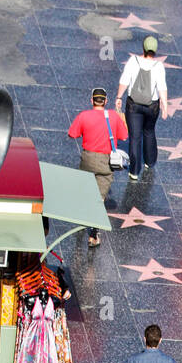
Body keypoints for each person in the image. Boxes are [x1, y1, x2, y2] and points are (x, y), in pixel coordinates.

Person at [67, 87, 128, 247]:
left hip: (87, 159)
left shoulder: (84, 116)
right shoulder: (113, 116)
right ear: (106, 101)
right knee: (99, 199)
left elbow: (72, 134)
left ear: (92, 100)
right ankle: (93, 235)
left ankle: (81, 219)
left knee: (85, 191)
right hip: (106, 162)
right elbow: (124, 135)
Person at [115, 36, 169, 181]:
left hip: (134, 105)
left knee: (135, 137)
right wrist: (164, 106)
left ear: (143, 48)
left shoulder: (133, 61)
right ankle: (150, 162)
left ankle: (134, 171)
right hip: (152, 106)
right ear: (155, 50)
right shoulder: (158, 66)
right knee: (149, 131)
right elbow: (162, 87)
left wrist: (119, 97)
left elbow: (124, 80)